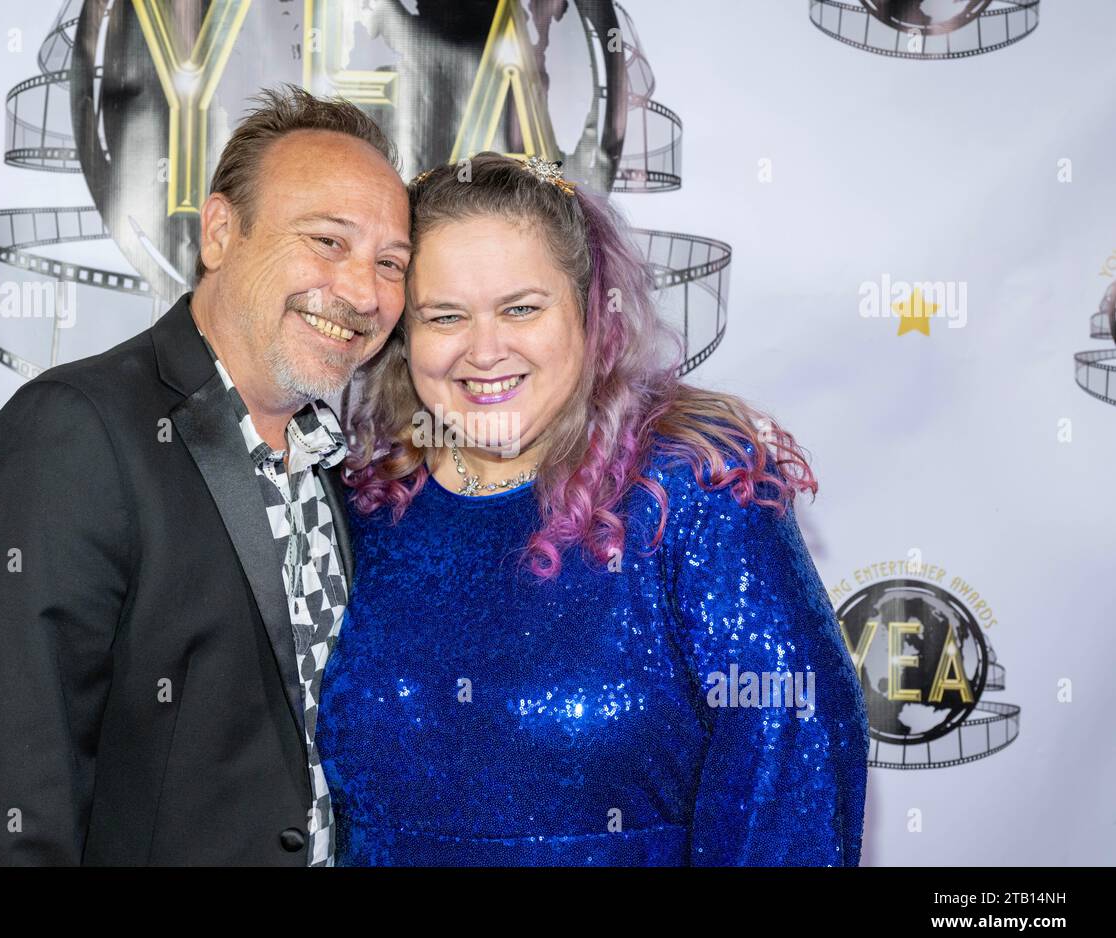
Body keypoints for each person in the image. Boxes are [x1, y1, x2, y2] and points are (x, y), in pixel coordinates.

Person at [316, 152, 870, 866]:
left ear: (590, 311)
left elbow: (794, 767)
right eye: (446, 316)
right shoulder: (364, 503)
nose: (485, 350)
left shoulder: (691, 488)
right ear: (404, 336)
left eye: (522, 308)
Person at [0, 85, 411, 865]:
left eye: (391, 263)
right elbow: (4, 817)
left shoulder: (338, 464)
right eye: (327, 241)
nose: (362, 292)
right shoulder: (73, 431)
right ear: (220, 232)